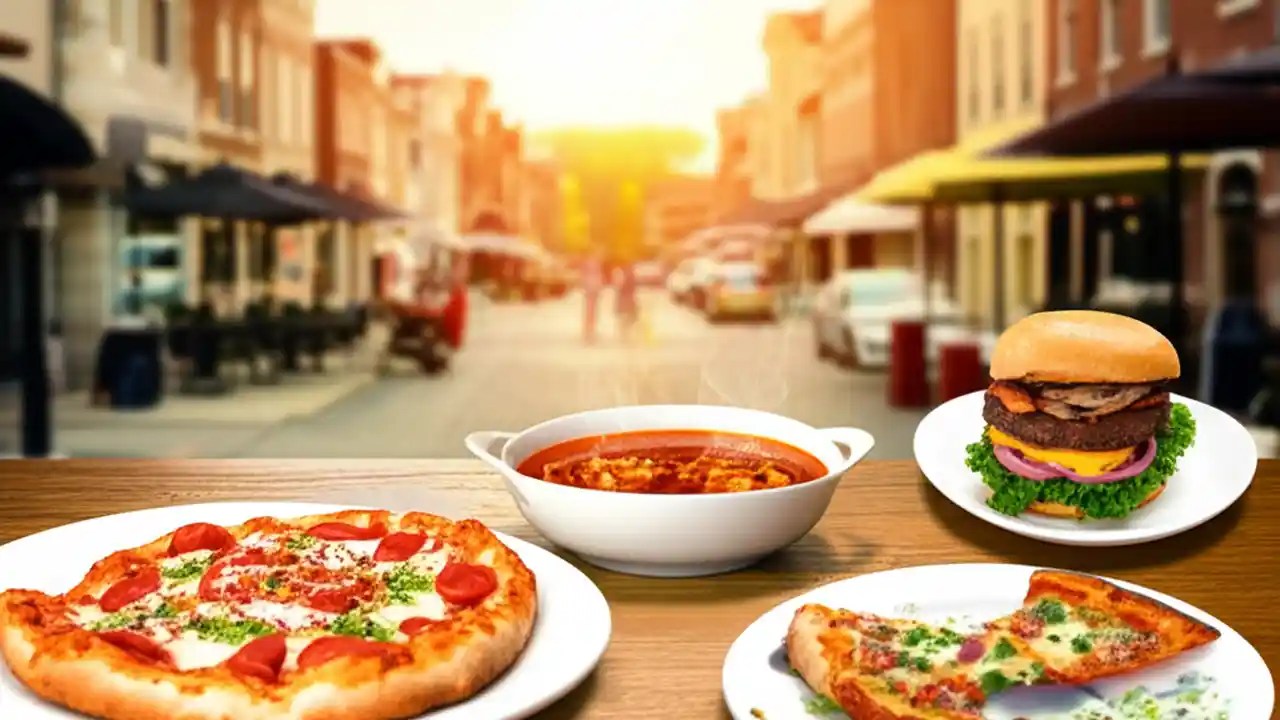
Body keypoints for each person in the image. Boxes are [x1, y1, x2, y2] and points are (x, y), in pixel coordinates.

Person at [582, 252, 604, 344]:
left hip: (592, 289)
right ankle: (589, 328)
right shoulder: (591, 271)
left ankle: (590, 327)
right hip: (591, 289)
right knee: (591, 309)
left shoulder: (592, 272)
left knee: (591, 309)